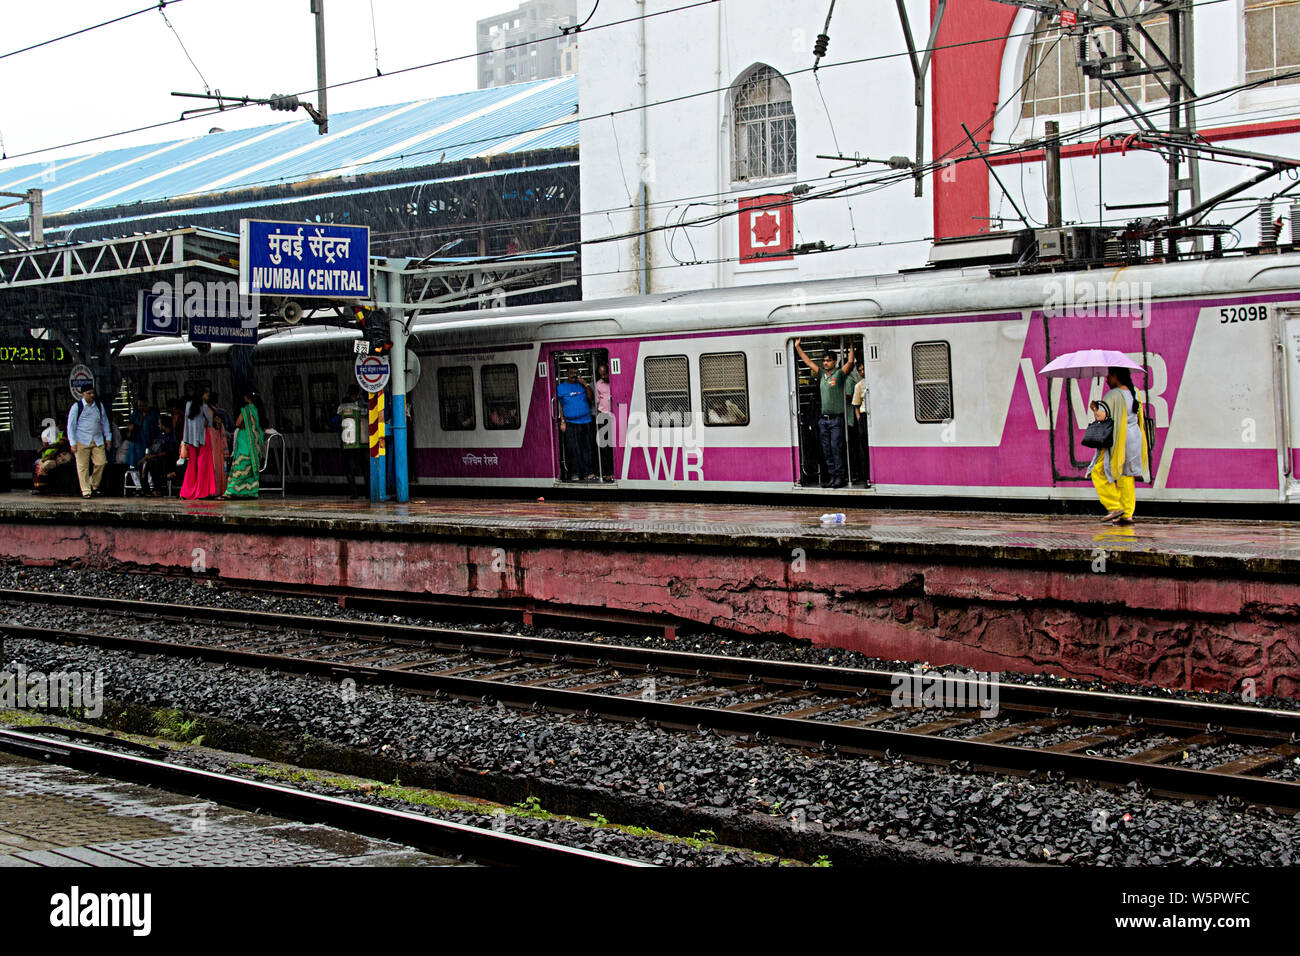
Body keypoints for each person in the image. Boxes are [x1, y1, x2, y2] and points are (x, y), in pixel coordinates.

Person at [1087, 366, 1149, 525]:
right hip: (1134, 437)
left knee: (1098, 471)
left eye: (1109, 376)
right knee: (1126, 474)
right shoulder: (1135, 391)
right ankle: (1127, 514)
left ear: (1116, 376)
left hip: (1119, 438)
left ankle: (1114, 506)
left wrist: (1094, 407)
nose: (1107, 379)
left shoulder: (1113, 394)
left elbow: (1102, 416)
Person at [794, 338, 855, 488]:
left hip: (836, 420)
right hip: (824, 420)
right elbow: (808, 363)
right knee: (827, 450)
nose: (825, 363)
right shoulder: (822, 374)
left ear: (834, 362)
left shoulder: (839, 375)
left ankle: (840, 477)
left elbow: (850, 363)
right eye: (824, 360)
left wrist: (852, 345)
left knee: (836, 448)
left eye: (829, 360)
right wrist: (797, 347)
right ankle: (832, 477)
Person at [67, 385, 112, 498]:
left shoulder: (98, 405)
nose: (92, 395)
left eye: (93, 393)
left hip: (97, 439)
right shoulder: (77, 407)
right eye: (89, 393)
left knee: (101, 462)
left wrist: (108, 438)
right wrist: (72, 443)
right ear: (83, 394)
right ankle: (86, 490)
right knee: (83, 467)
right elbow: (71, 426)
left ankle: (93, 483)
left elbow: (104, 422)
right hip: (81, 440)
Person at [556, 366, 596, 481]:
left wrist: (585, 384)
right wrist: (563, 421)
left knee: (587, 449)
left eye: (575, 372)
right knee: (573, 449)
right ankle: (576, 474)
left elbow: (591, 397)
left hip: (586, 421)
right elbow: (560, 406)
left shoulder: (582, 386)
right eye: (571, 372)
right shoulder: (561, 388)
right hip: (571, 423)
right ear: (567, 373)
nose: (574, 375)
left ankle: (589, 472)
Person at [222, 391, 264, 499]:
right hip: (254, 442)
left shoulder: (246, 410)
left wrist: (242, 425)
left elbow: (237, 423)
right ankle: (251, 491)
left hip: (245, 439)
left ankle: (232, 490)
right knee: (250, 466)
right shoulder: (257, 409)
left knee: (240, 465)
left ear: (246, 398)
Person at [180, 387, 215, 500]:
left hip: (190, 439)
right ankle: (201, 492)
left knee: (192, 465)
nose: (208, 397)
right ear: (202, 395)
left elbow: (186, 422)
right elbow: (210, 422)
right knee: (203, 465)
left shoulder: (188, 405)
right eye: (207, 395)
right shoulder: (204, 406)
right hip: (203, 438)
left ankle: (187, 492)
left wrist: (185, 439)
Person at [335, 386, 367, 499]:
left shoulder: (342, 407)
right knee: (365, 467)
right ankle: (368, 491)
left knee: (350, 468)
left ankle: (354, 492)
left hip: (348, 443)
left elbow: (335, 422)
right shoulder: (363, 406)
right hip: (362, 442)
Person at [141, 416, 181, 495]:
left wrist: (154, 456)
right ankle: (146, 489)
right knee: (146, 463)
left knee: (153, 463)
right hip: (159, 459)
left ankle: (158, 489)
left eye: (160, 424)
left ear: (164, 425)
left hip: (169, 461)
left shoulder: (173, 436)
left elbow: (170, 452)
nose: (158, 426)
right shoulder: (161, 436)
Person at [32, 424, 73, 494]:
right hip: (57, 457)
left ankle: (41, 488)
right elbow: (57, 449)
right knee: (41, 464)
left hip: (64, 457)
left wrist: (45, 448)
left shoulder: (65, 434)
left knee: (44, 466)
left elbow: (59, 445)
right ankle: (40, 487)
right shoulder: (60, 434)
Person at [123, 397, 159, 472]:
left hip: (149, 442)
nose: (141, 408)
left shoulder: (153, 414)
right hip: (137, 443)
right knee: (136, 464)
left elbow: (156, 428)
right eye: (139, 406)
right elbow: (130, 424)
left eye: (143, 406)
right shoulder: (135, 413)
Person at [594, 364, 614, 481]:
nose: (603, 376)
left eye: (605, 373)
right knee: (605, 447)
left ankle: (616, 470)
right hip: (603, 416)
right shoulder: (598, 384)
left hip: (615, 415)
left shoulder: (616, 380)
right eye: (601, 374)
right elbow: (597, 401)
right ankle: (607, 472)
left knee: (614, 445)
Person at [207, 392, 229, 497]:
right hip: (217, 443)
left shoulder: (206, 411)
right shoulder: (219, 412)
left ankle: (211, 489)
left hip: (210, 443)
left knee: (212, 466)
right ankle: (217, 489)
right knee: (217, 466)